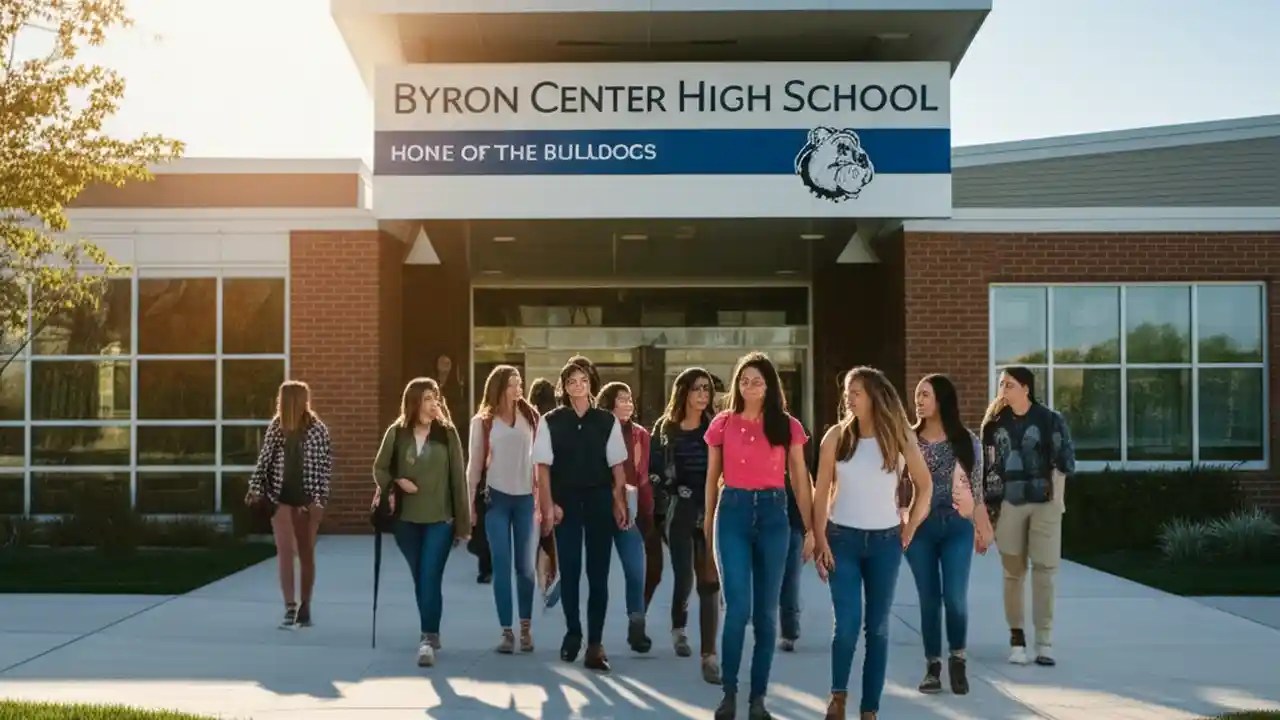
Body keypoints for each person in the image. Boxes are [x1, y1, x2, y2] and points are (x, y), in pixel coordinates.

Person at [812, 367, 933, 720]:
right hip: (842, 540)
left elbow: (925, 486)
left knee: (878, 628)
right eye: (847, 391)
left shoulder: (898, 437)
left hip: (885, 544)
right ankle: (838, 697)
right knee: (847, 624)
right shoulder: (835, 437)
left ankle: (870, 710)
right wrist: (820, 542)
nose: (848, 398)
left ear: (874, 397)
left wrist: (910, 523)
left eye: (856, 392)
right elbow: (821, 495)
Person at [704, 352, 815, 720]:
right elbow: (711, 479)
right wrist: (707, 526)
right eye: (744, 380)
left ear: (770, 386)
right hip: (732, 512)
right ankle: (730, 694)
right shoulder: (722, 424)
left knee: (767, 615)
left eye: (757, 381)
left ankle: (758, 699)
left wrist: (813, 527)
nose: (749, 386)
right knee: (737, 609)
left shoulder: (787, 426)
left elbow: (800, 479)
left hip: (774, 515)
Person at [532, 360, 630, 672]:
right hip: (566, 502)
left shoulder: (606, 421)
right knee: (571, 571)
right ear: (563, 386)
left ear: (591, 383)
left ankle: (595, 644)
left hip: (599, 499)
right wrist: (549, 505)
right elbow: (542, 469)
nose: (578, 385)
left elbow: (617, 466)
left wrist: (619, 501)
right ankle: (573, 632)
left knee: (599, 573)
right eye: (571, 380)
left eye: (583, 379)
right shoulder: (551, 421)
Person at [904, 374, 993, 695]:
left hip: (957, 527)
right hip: (920, 531)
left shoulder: (967, 441)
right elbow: (896, 487)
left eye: (925, 395)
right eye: (917, 395)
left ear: (941, 399)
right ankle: (932, 667)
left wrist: (983, 527)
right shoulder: (908, 440)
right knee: (929, 600)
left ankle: (957, 659)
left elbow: (977, 491)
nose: (919, 400)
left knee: (954, 598)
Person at [981, 366, 1076, 667]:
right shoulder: (993, 425)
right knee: (1013, 572)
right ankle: (1017, 639)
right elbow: (988, 470)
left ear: (1025, 388)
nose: (1003, 390)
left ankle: (1044, 642)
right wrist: (989, 511)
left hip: (1045, 502)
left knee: (1045, 569)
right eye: (1001, 385)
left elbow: (1066, 462)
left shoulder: (1050, 419)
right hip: (1010, 504)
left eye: (1009, 385)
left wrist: (1058, 501)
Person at [372, 377, 469, 668]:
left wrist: (463, 525)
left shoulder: (447, 434)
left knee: (429, 576)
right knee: (421, 578)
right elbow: (379, 468)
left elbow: (458, 481)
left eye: (435, 397)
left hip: (440, 519)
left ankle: (427, 638)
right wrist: (397, 481)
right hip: (405, 521)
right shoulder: (397, 432)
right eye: (427, 398)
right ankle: (432, 629)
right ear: (415, 402)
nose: (433, 403)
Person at [650, 367, 722, 684]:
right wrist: (666, 491)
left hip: (710, 507)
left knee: (709, 576)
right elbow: (654, 469)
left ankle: (709, 649)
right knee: (684, 575)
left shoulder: (716, 426)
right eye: (697, 388)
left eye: (707, 389)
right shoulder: (666, 428)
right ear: (684, 392)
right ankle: (679, 628)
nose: (703, 394)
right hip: (680, 508)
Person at [246, 380, 332, 630]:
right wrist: (255, 488)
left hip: (307, 500)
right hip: (280, 498)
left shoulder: (317, 429)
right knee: (285, 552)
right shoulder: (277, 427)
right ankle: (289, 607)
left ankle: (305, 605)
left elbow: (325, 467)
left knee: (305, 554)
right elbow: (265, 460)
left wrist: (319, 500)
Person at [468, 365, 541, 654]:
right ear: (499, 388)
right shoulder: (483, 422)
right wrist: (469, 506)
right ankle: (506, 632)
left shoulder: (532, 417)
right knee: (500, 565)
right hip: (496, 500)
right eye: (512, 384)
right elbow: (473, 467)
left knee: (525, 568)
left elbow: (543, 461)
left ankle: (525, 627)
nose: (518, 388)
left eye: (519, 383)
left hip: (525, 501)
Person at [597, 381, 654, 653]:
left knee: (636, 569)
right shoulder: (598, 430)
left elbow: (642, 477)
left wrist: (647, 513)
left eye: (630, 399)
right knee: (595, 573)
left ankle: (637, 628)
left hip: (629, 511)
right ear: (610, 404)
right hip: (599, 508)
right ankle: (591, 634)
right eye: (622, 399)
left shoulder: (640, 435)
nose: (628, 404)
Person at [778, 418, 815, 653]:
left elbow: (808, 498)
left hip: (793, 526)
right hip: (767, 525)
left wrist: (811, 532)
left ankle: (789, 630)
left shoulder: (801, 473)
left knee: (790, 578)